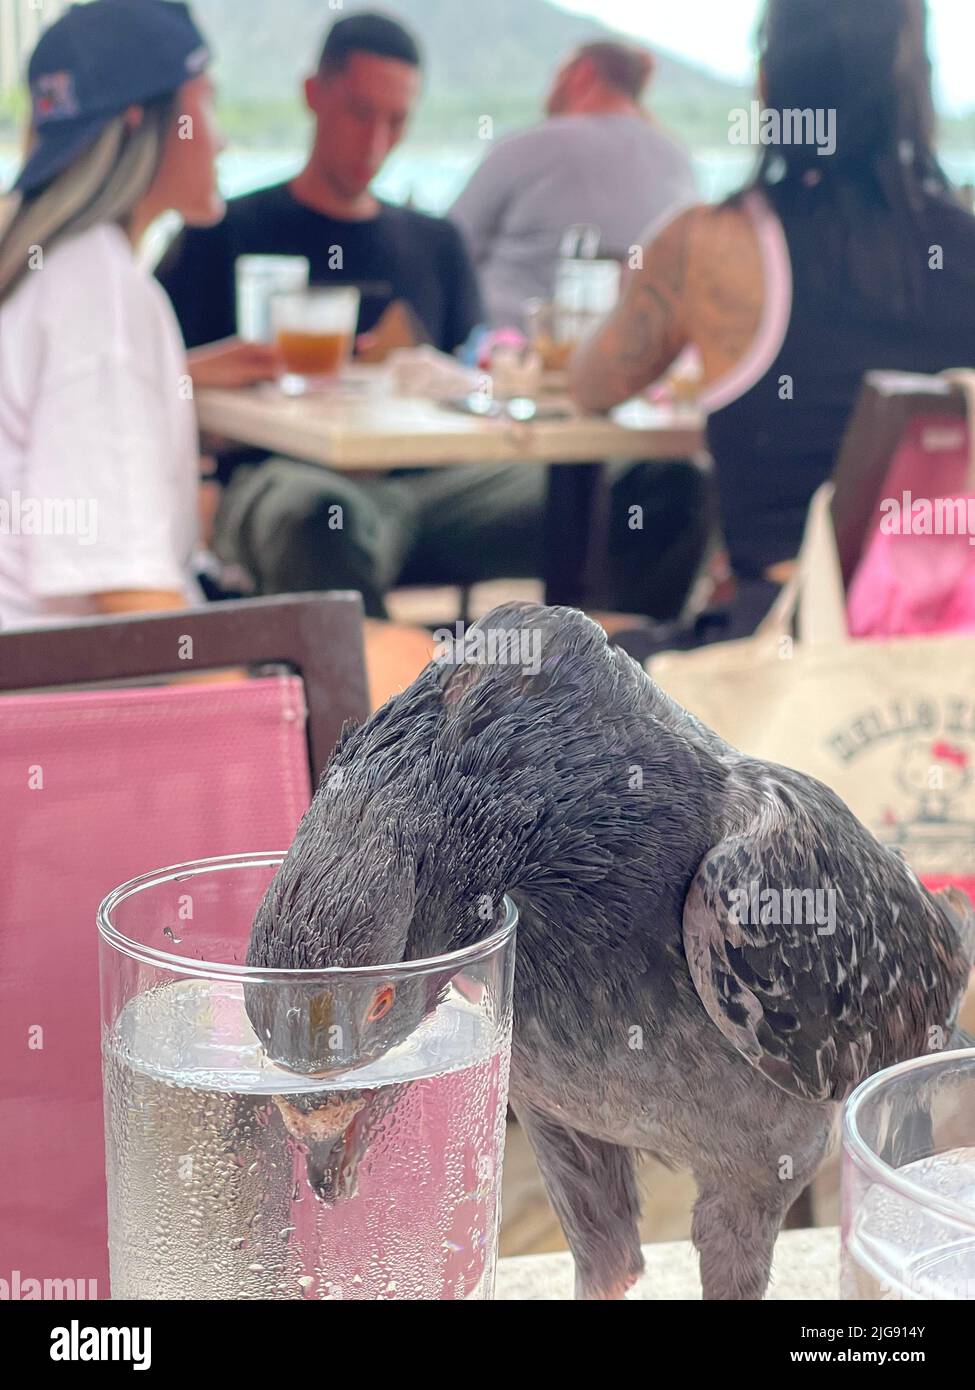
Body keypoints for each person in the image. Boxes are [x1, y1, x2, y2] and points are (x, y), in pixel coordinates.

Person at [159, 12, 710, 623]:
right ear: (314, 95)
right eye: (359, 113)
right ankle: (382, 712)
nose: (375, 142)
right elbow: (146, 390)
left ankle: (607, 697)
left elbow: (473, 377)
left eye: (396, 121)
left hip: (439, 493)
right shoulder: (221, 233)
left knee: (668, 486)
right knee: (310, 519)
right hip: (293, 480)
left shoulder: (436, 242)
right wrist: (223, 383)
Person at [571, 0, 975, 643]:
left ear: (773, 84)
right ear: (918, 85)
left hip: (784, 653)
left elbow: (590, 386)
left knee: (521, 664)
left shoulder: (711, 244)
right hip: (948, 653)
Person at [0, 0, 277, 630]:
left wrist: (180, 378)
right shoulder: (100, 290)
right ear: (142, 124)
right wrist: (265, 709)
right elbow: (127, 597)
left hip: (38, 667)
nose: (221, 137)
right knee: (451, 676)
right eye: (206, 105)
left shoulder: (44, 265)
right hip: (79, 694)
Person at [450, 41, 697, 329]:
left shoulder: (526, 146)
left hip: (508, 349)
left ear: (583, 75)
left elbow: (450, 247)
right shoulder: (677, 157)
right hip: (626, 354)